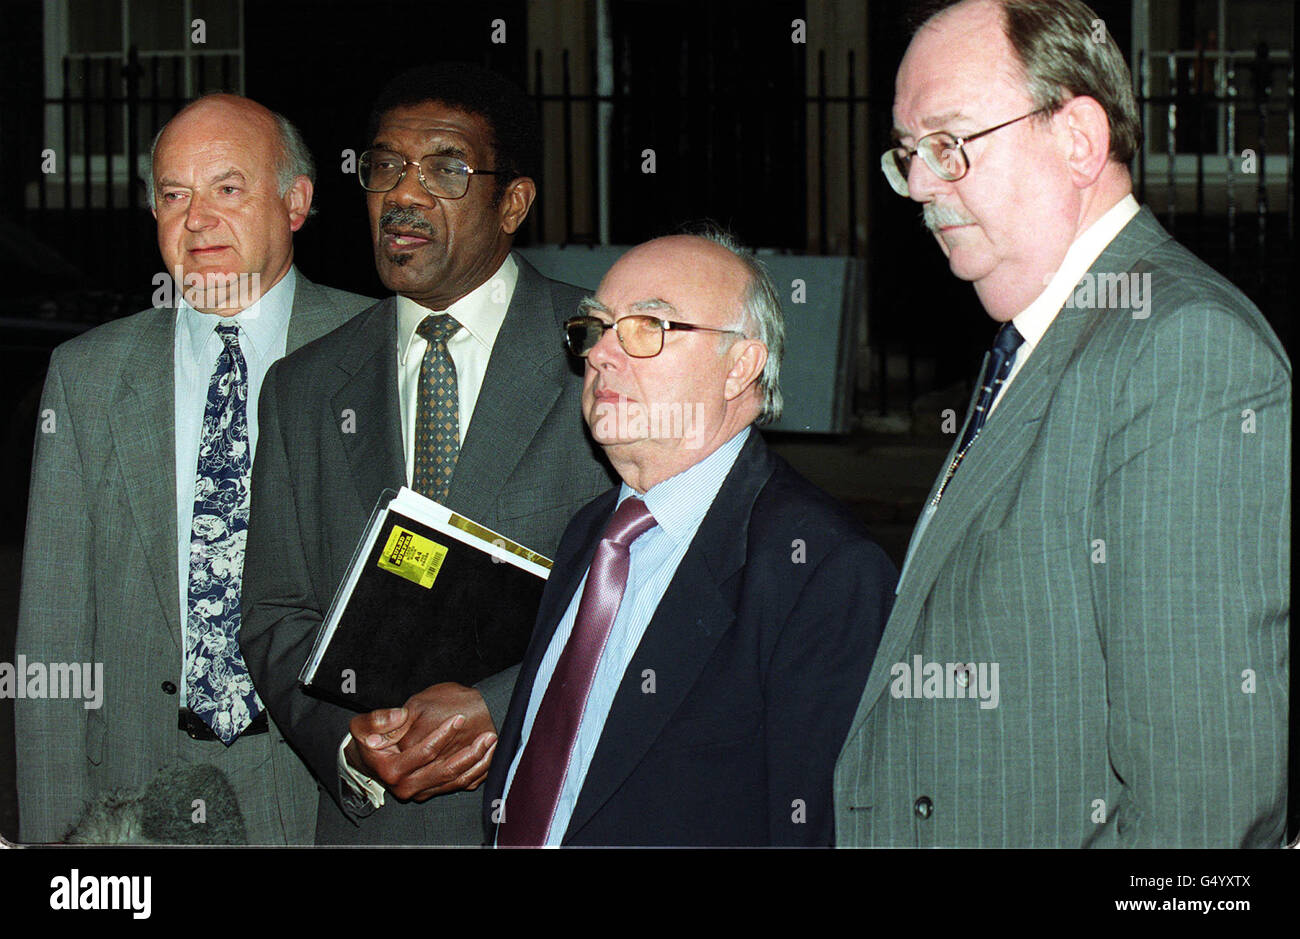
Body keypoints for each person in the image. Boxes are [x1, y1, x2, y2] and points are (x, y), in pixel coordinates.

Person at [834, 0, 1290, 848]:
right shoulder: (1044, 337)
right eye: (910, 155)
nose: (923, 185)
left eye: (950, 144)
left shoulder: (1185, 354)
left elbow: (1205, 808)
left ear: (1077, 138)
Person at [239, 64, 616, 845]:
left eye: (446, 169)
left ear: (513, 201)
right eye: (384, 167)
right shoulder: (303, 388)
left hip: (557, 809)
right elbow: (274, 613)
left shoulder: (602, 352)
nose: (404, 196)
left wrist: (503, 707)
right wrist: (349, 745)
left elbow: (659, 588)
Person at [14, 93, 374, 844]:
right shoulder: (88, 377)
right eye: (173, 195)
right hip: (135, 799)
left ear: (297, 201)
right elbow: (51, 633)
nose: (196, 218)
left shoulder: (374, 350)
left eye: (228, 188)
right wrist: (58, 843)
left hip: (323, 795)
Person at [483, 231, 896, 846]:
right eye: (597, 327)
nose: (600, 355)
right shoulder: (590, 532)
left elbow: (815, 828)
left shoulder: (821, 569)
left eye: (648, 327)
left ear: (740, 368)